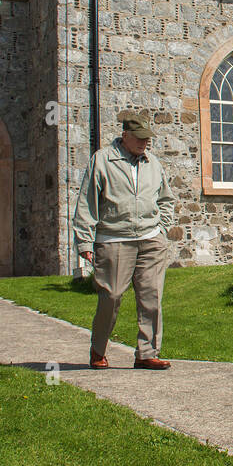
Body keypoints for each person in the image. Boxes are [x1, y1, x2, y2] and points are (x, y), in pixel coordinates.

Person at [72, 108, 176, 370]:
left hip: (151, 239)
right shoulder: (103, 160)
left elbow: (166, 199)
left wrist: (162, 229)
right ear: (124, 135)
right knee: (112, 296)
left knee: (151, 297)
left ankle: (146, 353)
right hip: (113, 239)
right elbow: (87, 203)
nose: (145, 143)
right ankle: (98, 350)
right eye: (139, 137)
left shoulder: (153, 163)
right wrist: (85, 242)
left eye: (147, 138)